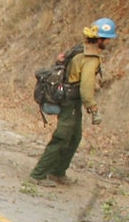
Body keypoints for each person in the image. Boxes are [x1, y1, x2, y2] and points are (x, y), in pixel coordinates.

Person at [29, 17, 117, 187]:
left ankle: (58, 172)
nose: (109, 42)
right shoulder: (90, 58)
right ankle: (38, 174)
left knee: (75, 137)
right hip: (70, 101)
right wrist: (93, 108)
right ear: (100, 39)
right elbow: (86, 88)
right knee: (62, 137)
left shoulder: (80, 49)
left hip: (69, 100)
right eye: (107, 39)